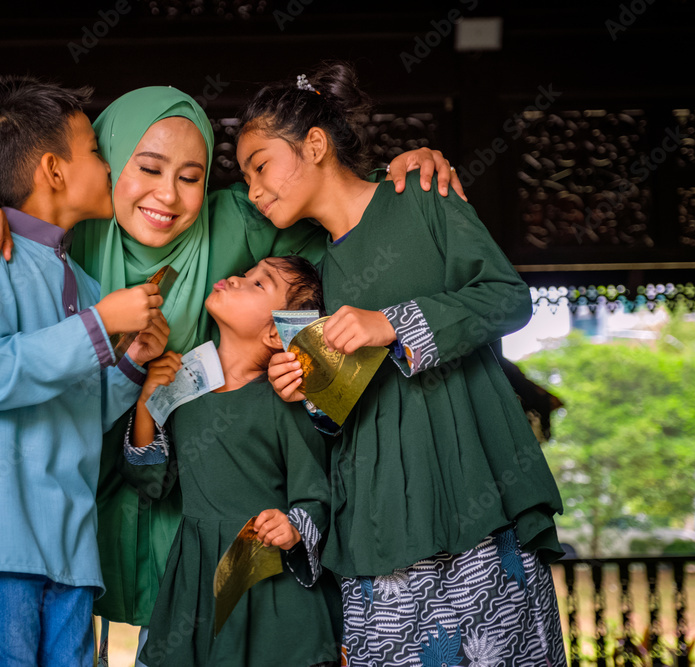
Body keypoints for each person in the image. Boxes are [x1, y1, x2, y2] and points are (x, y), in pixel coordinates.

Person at [0, 84, 463, 662]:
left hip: (188, 514)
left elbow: (322, 216)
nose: (167, 194)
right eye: (143, 167)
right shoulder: (47, 243)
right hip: (64, 504)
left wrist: (392, 181)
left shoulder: (232, 226)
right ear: (102, 162)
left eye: (191, 177)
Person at [243, 63, 568, 666]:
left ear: (315, 144)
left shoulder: (419, 195)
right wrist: (306, 390)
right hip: (372, 524)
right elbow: (343, 401)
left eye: (260, 165)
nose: (254, 190)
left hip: (471, 499)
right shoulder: (310, 266)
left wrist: (392, 320)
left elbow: (506, 297)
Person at [0, 76, 168, 666]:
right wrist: (100, 325)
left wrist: (130, 362)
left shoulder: (84, 281)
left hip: (67, 542)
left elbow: (74, 406)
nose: (107, 167)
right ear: (54, 169)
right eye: (96, 153)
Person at [126, 256, 341, 667]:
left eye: (260, 284)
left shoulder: (287, 401)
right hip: (194, 582)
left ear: (277, 335)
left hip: (270, 590)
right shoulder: (182, 387)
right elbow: (152, 484)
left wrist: (293, 526)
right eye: (247, 273)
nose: (237, 279)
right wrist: (144, 404)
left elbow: (316, 494)